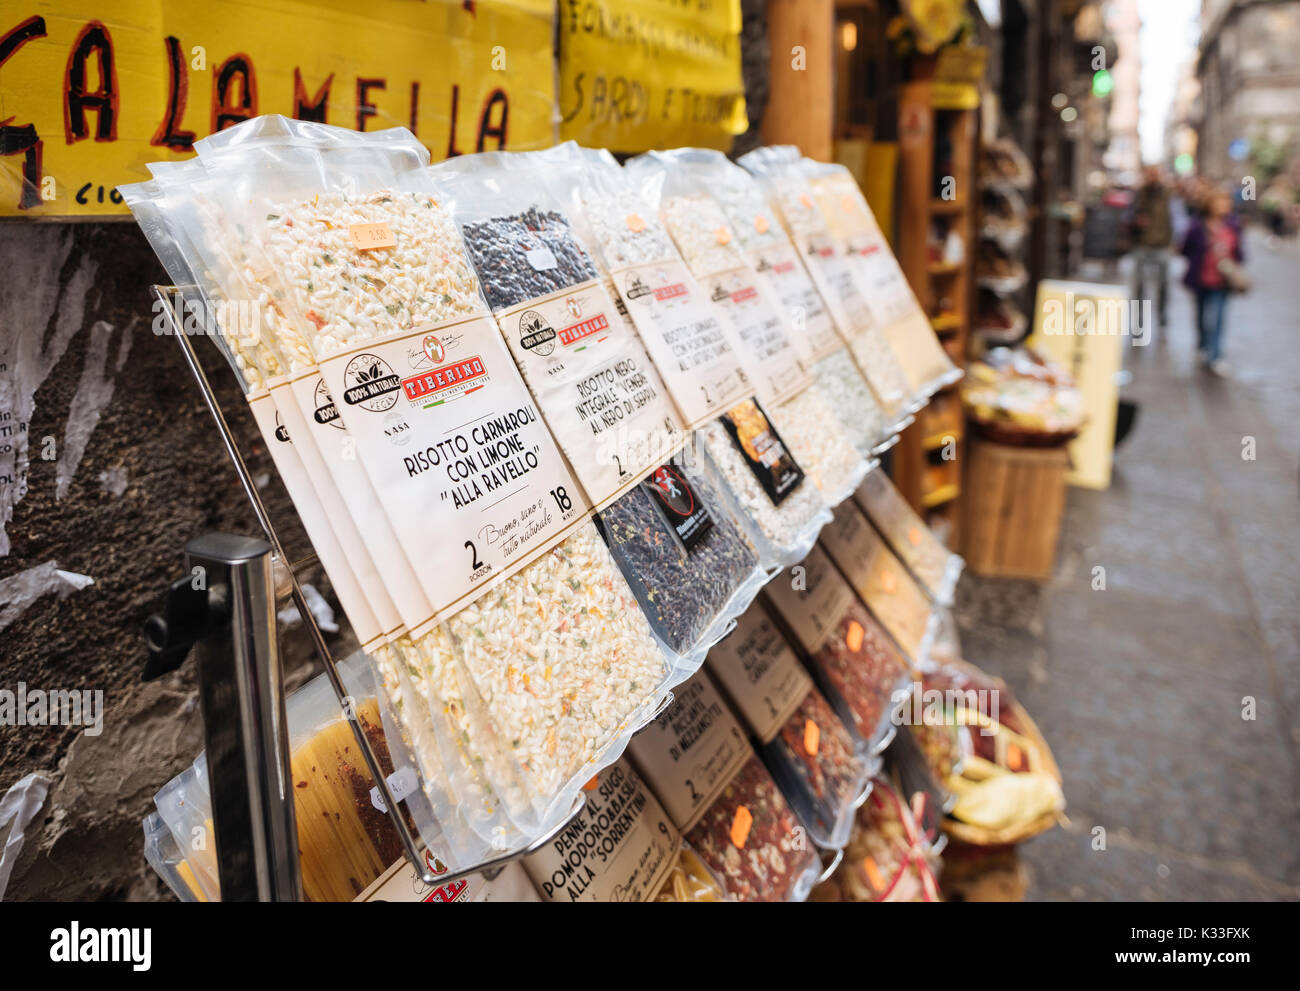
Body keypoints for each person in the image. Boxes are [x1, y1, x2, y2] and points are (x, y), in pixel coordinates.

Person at [1180, 188, 1244, 378]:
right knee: (1201, 316)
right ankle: (1202, 345)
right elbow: (1185, 248)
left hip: (1222, 280)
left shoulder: (1233, 224)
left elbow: (1240, 252)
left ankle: (1215, 356)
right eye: (1220, 202)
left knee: (1217, 318)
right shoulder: (1197, 225)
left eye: (1226, 203)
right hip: (1201, 277)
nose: (1224, 207)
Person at [1130, 165, 1174, 327]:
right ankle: (1139, 317)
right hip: (1142, 244)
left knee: (1163, 283)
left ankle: (1162, 313)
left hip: (1161, 244)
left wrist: (1173, 240)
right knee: (1139, 284)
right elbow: (1129, 214)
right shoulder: (1140, 194)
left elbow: (1175, 217)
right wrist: (1136, 221)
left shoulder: (1168, 195)